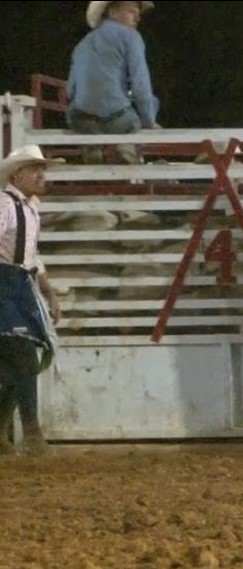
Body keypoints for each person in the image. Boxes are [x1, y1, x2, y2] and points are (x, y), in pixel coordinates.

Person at [0, 145, 64, 456]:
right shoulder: (4, 204)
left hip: (19, 284)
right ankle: (33, 434)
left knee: (15, 364)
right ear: (17, 174)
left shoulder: (29, 206)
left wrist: (48, 291)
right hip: (4, 283)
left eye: (43, 168)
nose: (42, 174)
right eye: (35, 168)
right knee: (23, 358)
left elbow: (30, 257)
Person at [66, 1, 161, 165]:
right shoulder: (131, 37)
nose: (138, 18)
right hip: (115, 119)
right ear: (113, 13)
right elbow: (141, 86)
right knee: (134, 122)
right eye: (131, 12)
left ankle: (92, 146)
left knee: (81, 117)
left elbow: (70, 90)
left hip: (80, 118)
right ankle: (126, 147)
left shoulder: (81, 44)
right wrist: (149, 120)